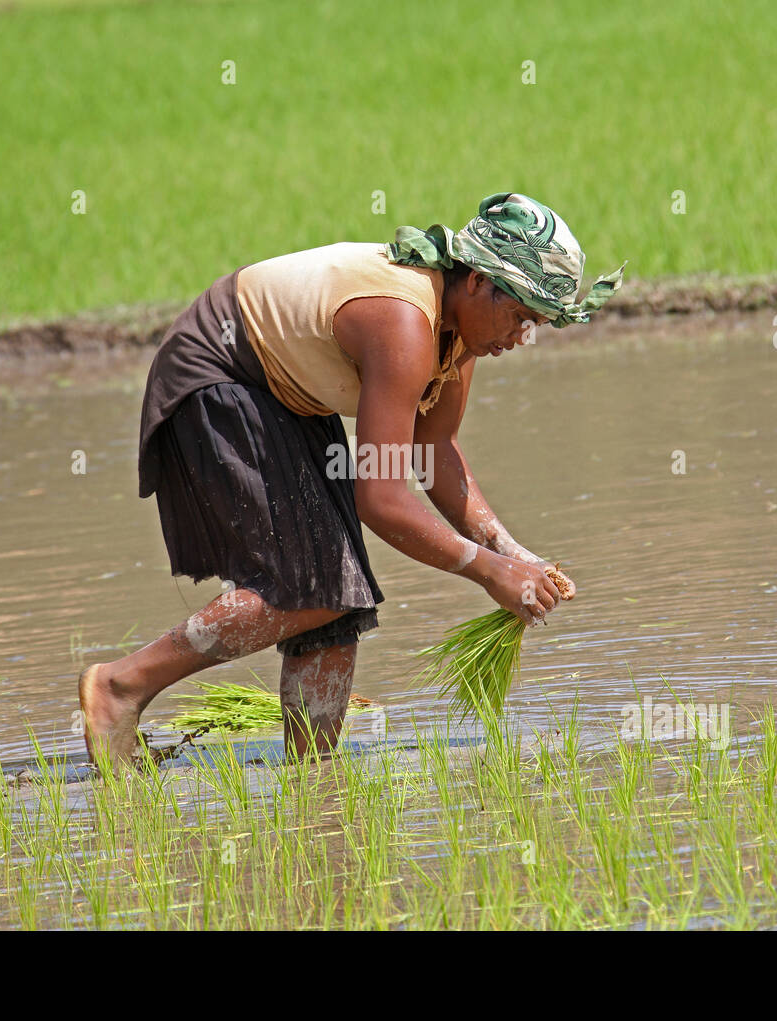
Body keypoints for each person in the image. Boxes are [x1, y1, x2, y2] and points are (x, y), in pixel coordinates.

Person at [79, 192, 623, 769]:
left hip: (287, 397)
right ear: (477, 282)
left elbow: (434, 450)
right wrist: (489, 572)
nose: (522, 336)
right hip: (221, 371)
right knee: (312, 588)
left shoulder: (458, 336)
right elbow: (382, 497)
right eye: (520, 315)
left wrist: (515, 553)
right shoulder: (405, 322)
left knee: (337, 597)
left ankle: (312, 780)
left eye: (534, 324)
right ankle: (122, 686)